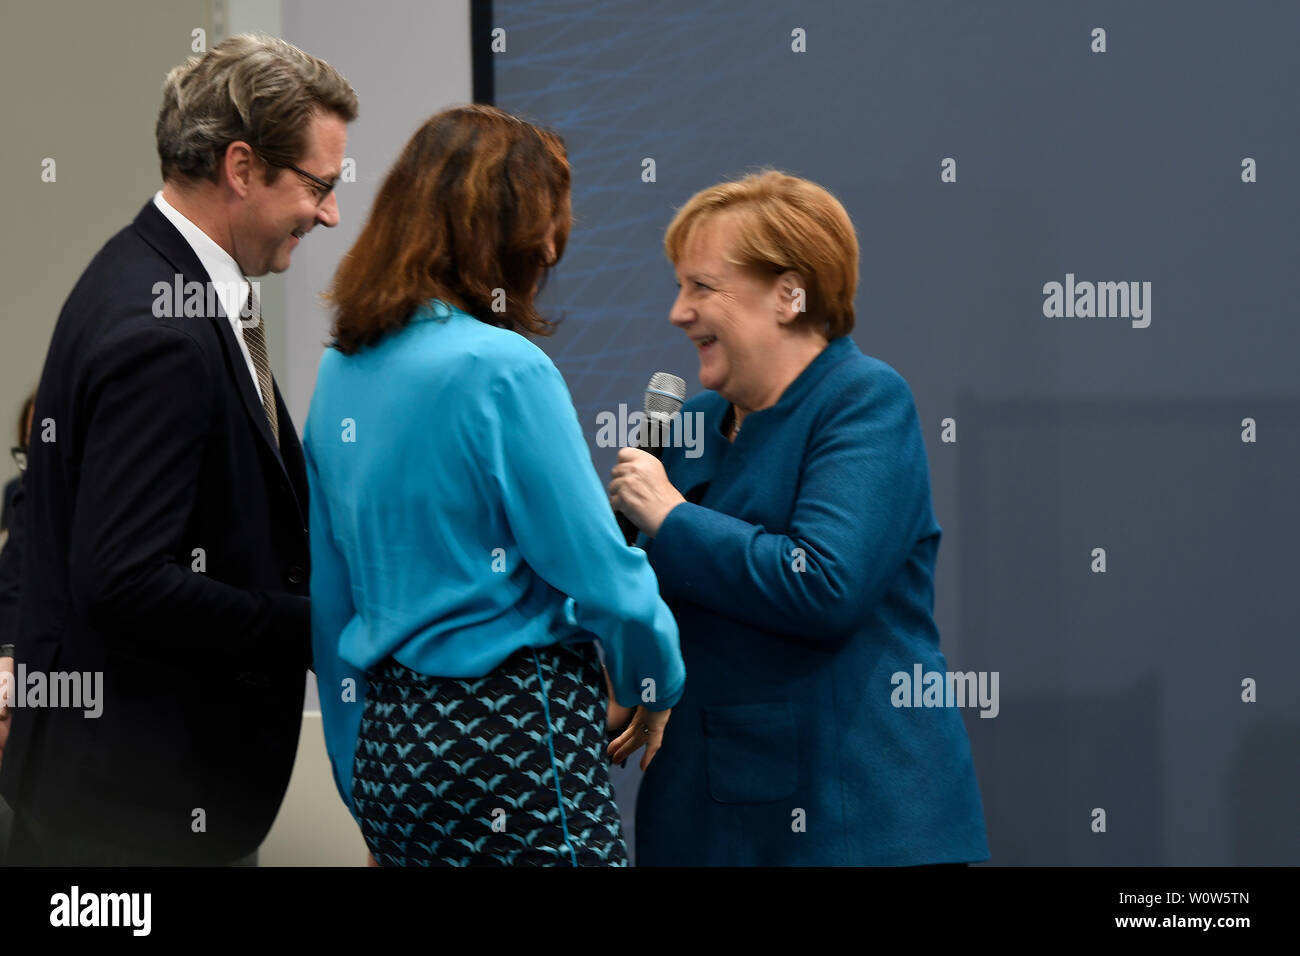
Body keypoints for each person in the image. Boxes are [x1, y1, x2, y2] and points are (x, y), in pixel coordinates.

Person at [0, 35, 357, 866]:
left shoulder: (147, 276)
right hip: (135, 813)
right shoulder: (159, 328)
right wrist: (316, 623)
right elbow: (126, 581)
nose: (330, 214)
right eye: (319, 186)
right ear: (242, 167)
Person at [306, 104, 684, 867]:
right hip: (512, 746)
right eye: (546, 224)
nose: (553, 246)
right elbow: (602, 575)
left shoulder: (338, 372)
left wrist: (356, 773)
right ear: (506, 231)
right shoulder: (504, 370)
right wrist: (655, 678)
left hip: (392, 752)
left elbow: (330, 597)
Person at [606, 170, 990, 865]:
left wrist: (669, 516)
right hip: (701, 817)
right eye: (677, 286)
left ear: (790, 294)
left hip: (852, 824)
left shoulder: (864, 401)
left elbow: (823, 587)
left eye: (702, 286)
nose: (678, 312)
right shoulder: (688, 424)